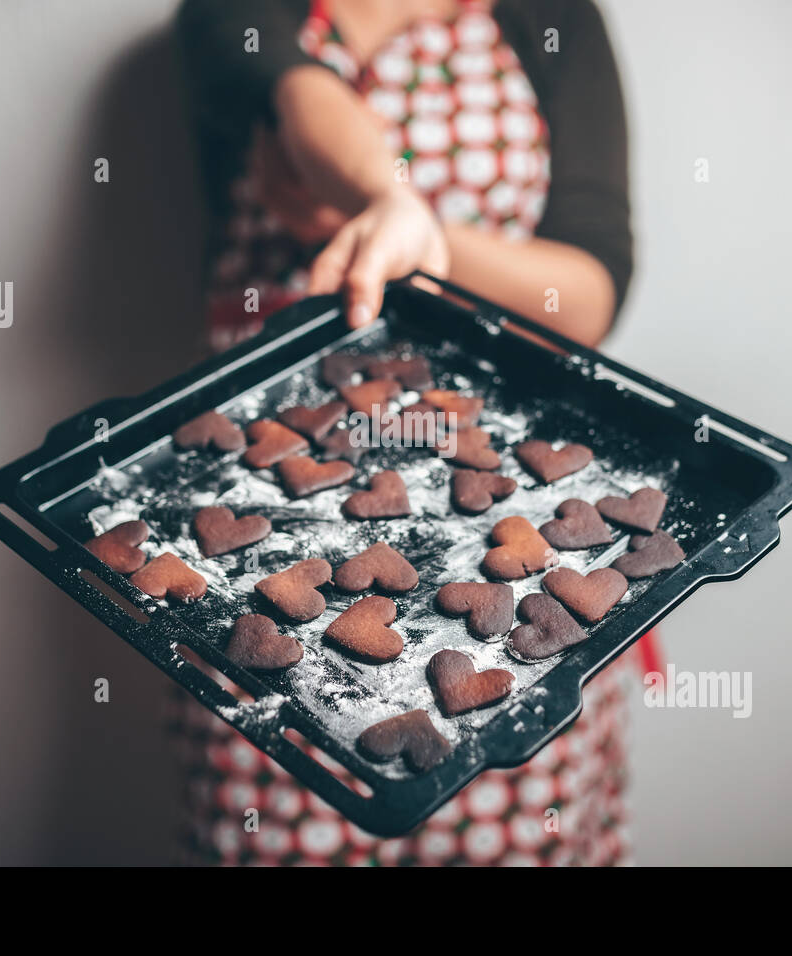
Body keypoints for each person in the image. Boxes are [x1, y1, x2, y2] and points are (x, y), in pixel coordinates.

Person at [169, 0, 653, 865]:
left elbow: (585, 292)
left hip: (516, 527)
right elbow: (299, 93)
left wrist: (420, 244)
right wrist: (387, 197)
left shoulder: (553, 16)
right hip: (268, 526)